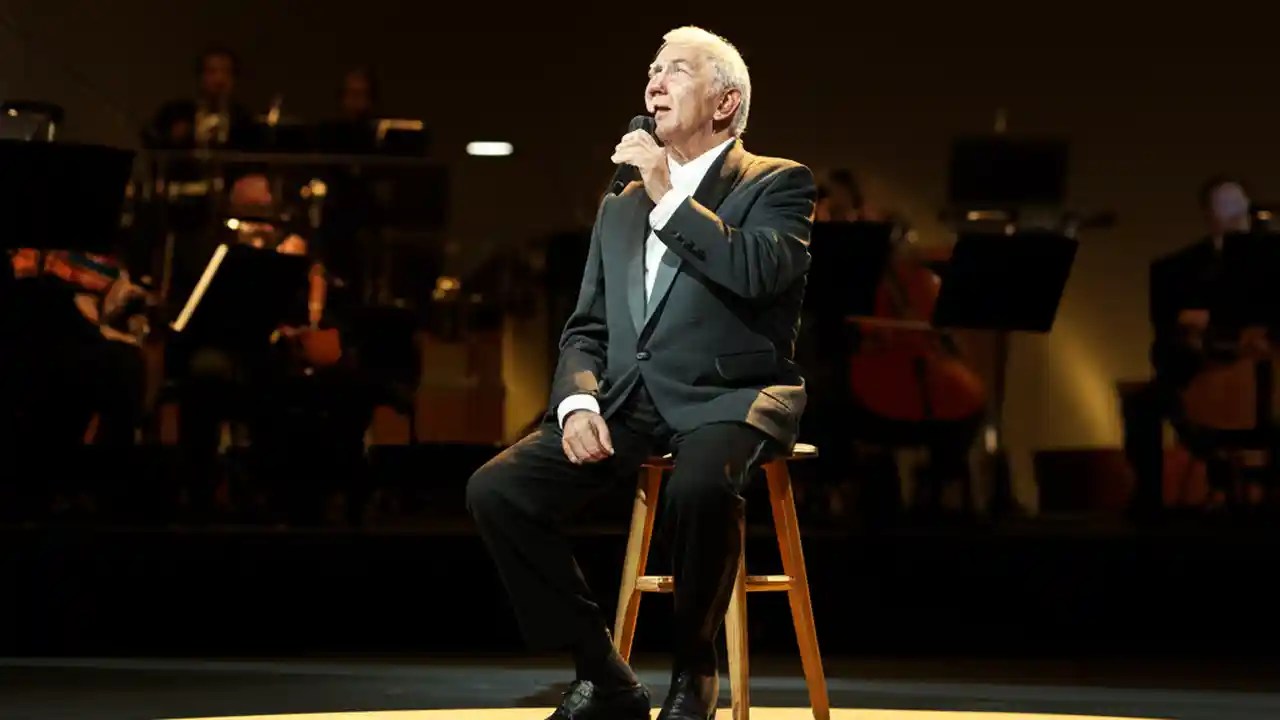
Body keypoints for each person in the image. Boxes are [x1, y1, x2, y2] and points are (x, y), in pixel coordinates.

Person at [466, 26, 815, 720]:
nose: (654, 82)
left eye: (676, 71)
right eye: (652, 70)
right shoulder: (621, 204)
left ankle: (695, 671)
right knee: (498, 491)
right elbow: (586, 328)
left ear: (725, 102)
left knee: (699, 486)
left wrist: (668, 195)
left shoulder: (776, 182)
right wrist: (578, 403)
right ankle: (604, 675)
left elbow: (755, 270)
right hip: (630, 401)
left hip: (729, 396)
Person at [1126, 176, 1259, 516]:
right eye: (1225, 206)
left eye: (1240, 206)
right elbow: (1164, 337)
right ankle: (1149, 499)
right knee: (1143, 405)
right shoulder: (1175, 270)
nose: (1236, 215)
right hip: (1199, 371)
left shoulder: (1270, 260)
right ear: (1208, 214)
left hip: (1263, 375)